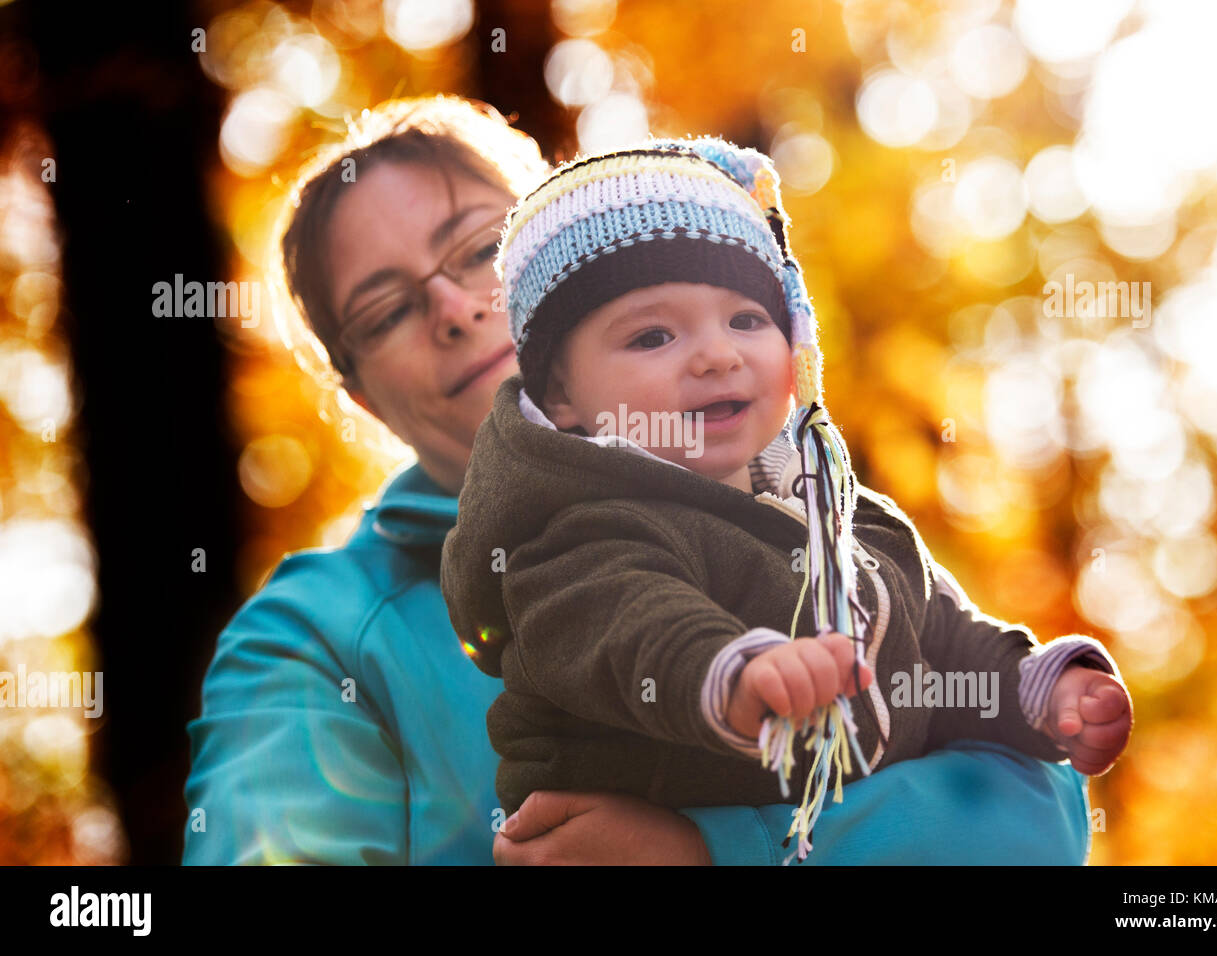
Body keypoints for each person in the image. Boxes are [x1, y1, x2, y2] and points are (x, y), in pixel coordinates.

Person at [183, 96, 1098, 865]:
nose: (455, 310)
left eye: (479, 252)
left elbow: (1036, 815)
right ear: (359, 394)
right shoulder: (315, 640)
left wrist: (717, 850)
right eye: (386, 310)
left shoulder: (809, 513)